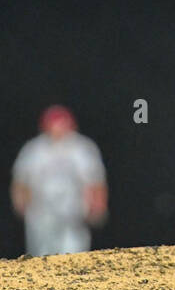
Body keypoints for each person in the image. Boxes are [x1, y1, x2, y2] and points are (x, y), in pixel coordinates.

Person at [11, 106, 107, 257]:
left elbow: (95, 181)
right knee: (41, 257)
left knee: (74, 255)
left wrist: (98, 206)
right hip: (41, 213)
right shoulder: (34, 150)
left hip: (73, 213)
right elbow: (21, 182)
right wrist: (21, 203)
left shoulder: (82, 148)